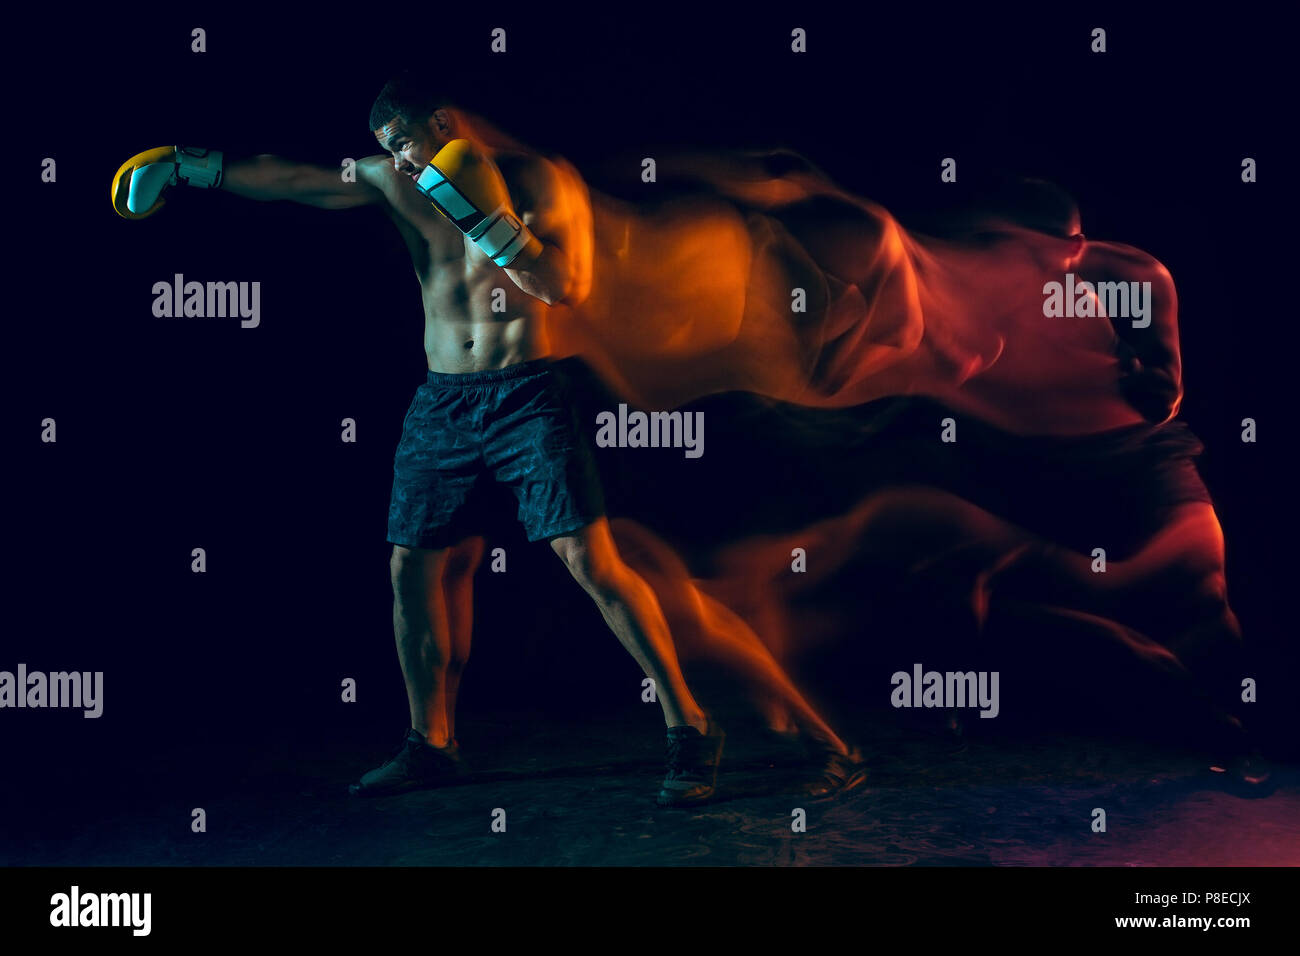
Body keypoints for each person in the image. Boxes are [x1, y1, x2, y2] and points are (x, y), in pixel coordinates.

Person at [110, 73, 866, 806]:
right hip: (442, 398)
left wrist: (485, 221)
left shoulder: (542, 182)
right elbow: (293, 178)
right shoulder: (393, 178)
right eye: (388, 147)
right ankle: (429, 744)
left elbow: (563, 287)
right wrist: (189, 166)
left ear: (443, 123)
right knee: (412, 565)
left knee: (591, 562)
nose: (401, 159)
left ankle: (689, 726)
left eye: (406, 140)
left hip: (527, 392)